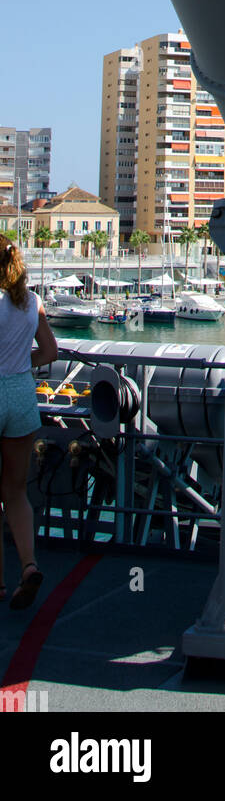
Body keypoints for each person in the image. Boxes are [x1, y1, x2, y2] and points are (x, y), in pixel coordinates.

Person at [0, 239, 57, 610]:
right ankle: (28, 565)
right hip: (21, 394)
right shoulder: (31, 302)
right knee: (16, 491)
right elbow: (49, 352)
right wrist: (21, 360)